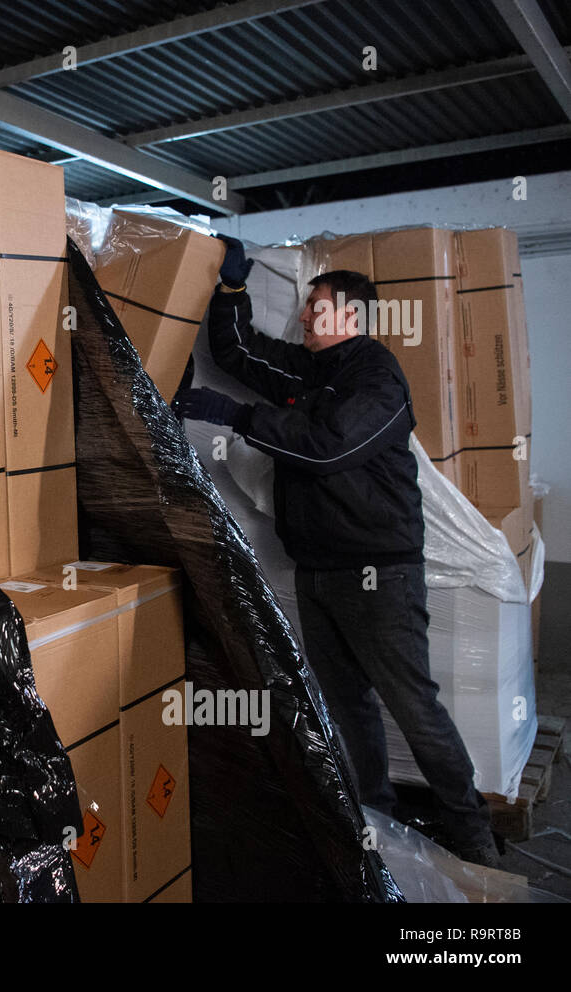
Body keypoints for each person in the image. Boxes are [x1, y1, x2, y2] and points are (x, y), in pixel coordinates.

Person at [173, 235, 500, 868]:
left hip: (379, 575)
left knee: (413, 708)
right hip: (319, 572)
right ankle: (380, 824)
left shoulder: (377, 379)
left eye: (314, 306)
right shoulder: (311, 370)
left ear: (349, 314)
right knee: (348, 709)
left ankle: (474, 838)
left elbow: (328, 447)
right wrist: (232, 288)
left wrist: (234, 416)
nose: (302, 316)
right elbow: (237, 353)